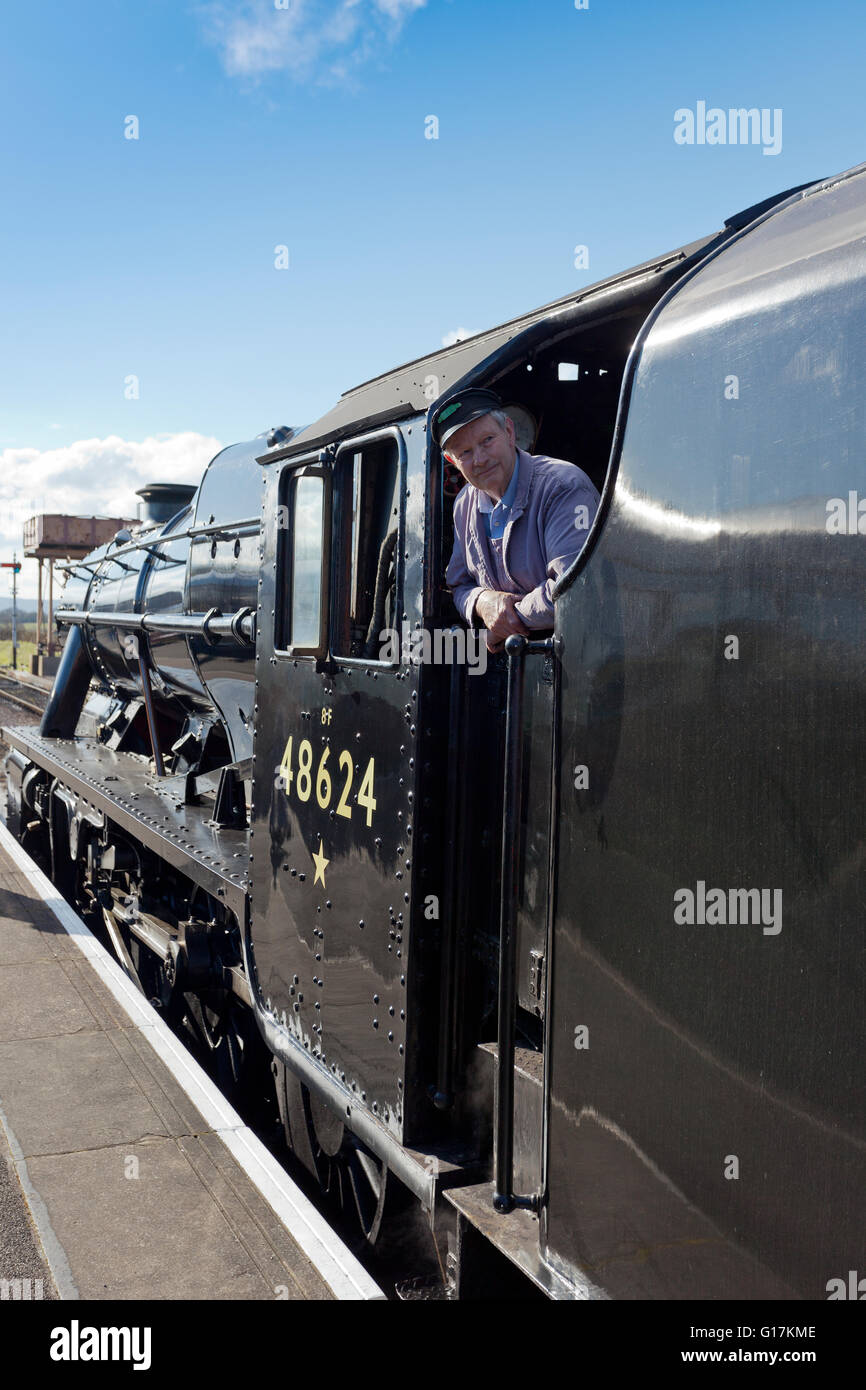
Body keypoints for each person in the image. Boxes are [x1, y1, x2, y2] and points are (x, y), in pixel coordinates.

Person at [440, 388, 600, 649]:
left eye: (487, 440)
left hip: (571, 660)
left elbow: (573, 592)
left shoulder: (563, 487)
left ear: (510, 432)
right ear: (452, 461)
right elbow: (459, 585)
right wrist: (483, 602)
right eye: (465, 453)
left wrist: (502, 624)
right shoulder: (463, 505)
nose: (480, 459)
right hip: (511, 670)